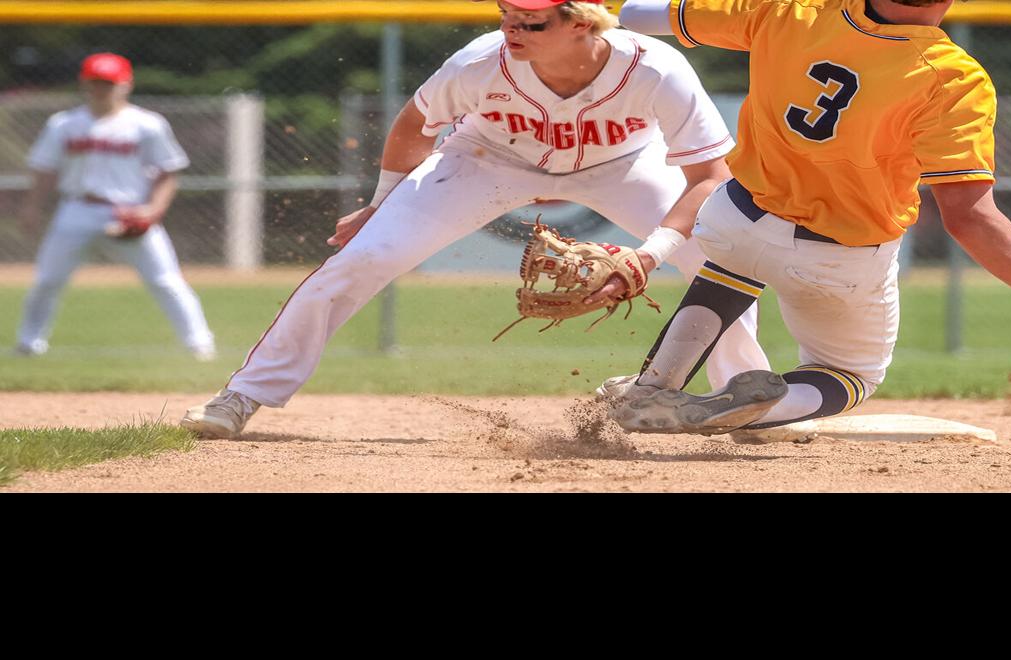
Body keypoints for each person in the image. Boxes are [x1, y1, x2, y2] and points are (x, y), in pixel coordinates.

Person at [181, 0, 770, 439]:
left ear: (582, 23)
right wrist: (380, 205)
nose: (512, 29)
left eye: (532, 22)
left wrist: (650, 255)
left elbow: (710, 179)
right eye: (507, 14)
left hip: (620, 164)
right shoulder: (482, 61)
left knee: (716, 257)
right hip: (490, 158)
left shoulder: (653, 67)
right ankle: (242, 395)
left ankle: (746, 398)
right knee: (363, 258)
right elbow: (415, 125)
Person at [606, 0, 1011, 435]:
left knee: (729, 268)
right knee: (848, 375)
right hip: (839, 253)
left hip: (735, 214)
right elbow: (970, 217)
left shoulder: (794, 8)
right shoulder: (951, 76)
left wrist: (575, 14)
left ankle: (653, 388)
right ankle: (758, 404)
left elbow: (638, 13)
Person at [14, 52, 216, 361]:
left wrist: (153, 209)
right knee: (47, 280)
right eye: (95, 82)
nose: (101, 89)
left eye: (108, 83)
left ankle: (199, 344)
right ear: (84, 83)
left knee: (165, 280)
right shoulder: (64, 124)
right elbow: (45, 170)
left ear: (126, 84)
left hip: (131, 210)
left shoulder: (147, 124)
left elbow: (169, 171)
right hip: (77, 209)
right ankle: (29, 344)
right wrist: (32, 207)